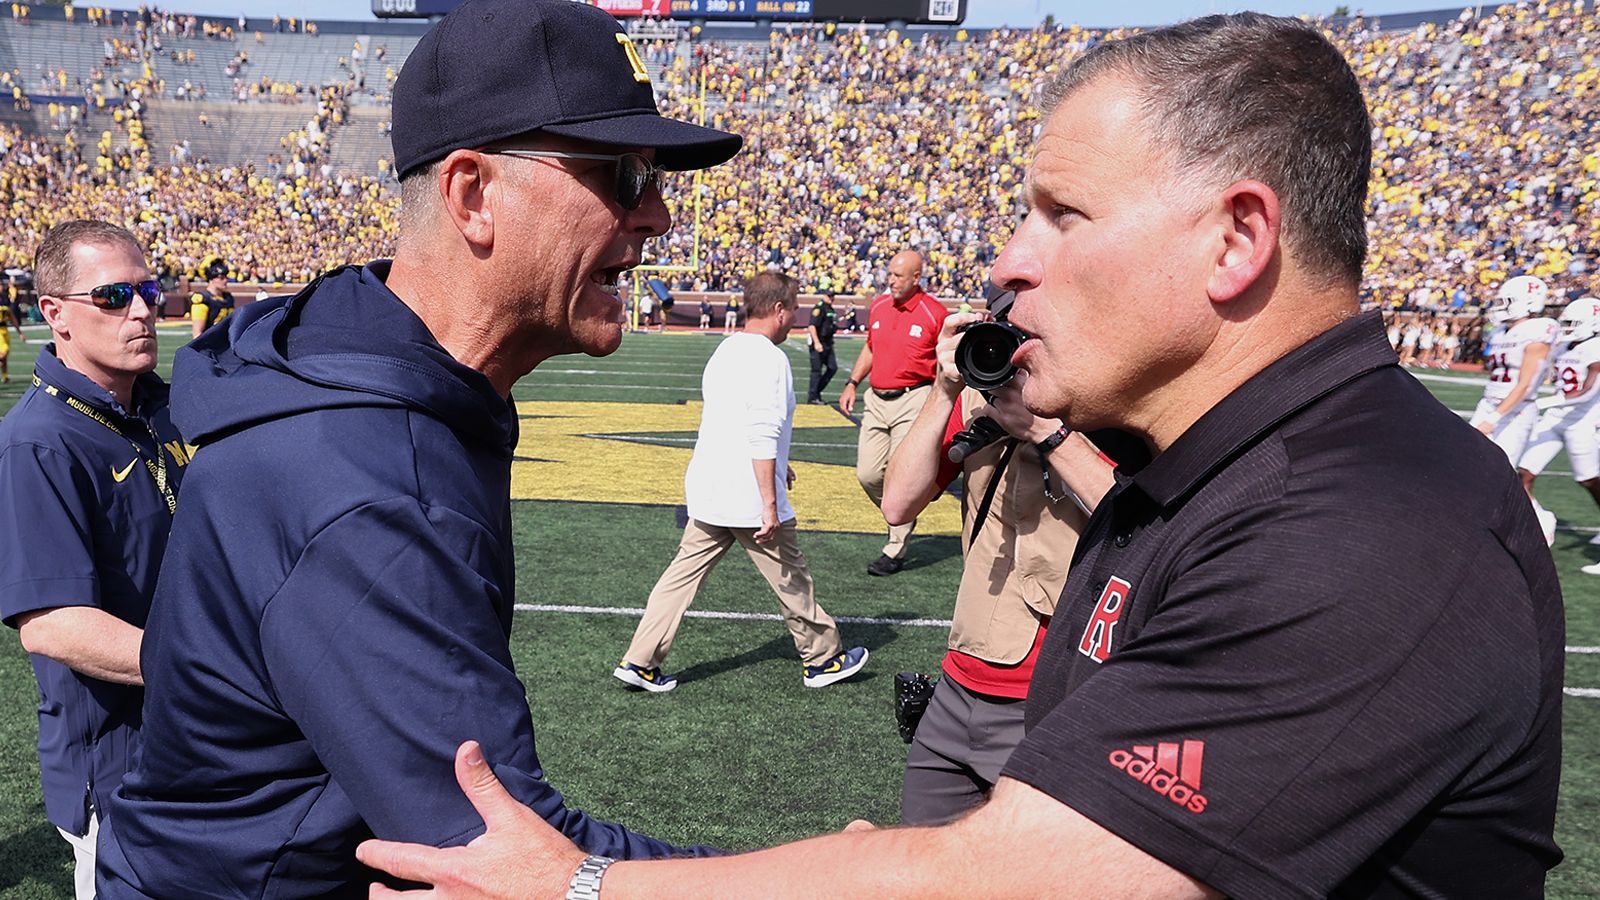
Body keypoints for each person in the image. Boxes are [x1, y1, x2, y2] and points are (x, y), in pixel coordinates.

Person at [357, 14, 1564, 900]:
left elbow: (1016, 879)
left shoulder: (1364, 528)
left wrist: (580, 887)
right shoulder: (1214, 466)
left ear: (1235, 238)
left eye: (1062, 213)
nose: (1008, 259)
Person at [96, 1, 742, 897]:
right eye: (626, 174)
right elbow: (505, 858)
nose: (658, 215)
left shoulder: (373, 375)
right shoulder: (367, 477)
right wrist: (836, 876)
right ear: (472, 195)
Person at [0, 220, 187, 900]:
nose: (141, 311)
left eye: (148, 291)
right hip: (122, 767)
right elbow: (53, 625)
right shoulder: (37, 441)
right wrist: (212, 668)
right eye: (112, 296)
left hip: (202, 739)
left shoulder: (164, 408)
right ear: (55, 314)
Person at [881, 310, 1117, 826]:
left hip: (1054, 687)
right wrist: (944, 389)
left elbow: (1143, 521)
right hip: (962, 672)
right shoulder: (977, 397)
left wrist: (1049, 434)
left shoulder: (1111, 400)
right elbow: (897, 504)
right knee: (924, 851)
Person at [614, 270, 867, 693]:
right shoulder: (770, 358)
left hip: (711, 486)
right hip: (748, 495)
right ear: (778, 309)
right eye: (793, 308)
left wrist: (779, 464)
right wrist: (769, 502)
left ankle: (639, 660)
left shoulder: (726, 349)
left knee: (680, 578)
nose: (796, 318)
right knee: (791, 578)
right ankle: (823, 657)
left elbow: (730, 421)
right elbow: (762, 431)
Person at [837, 250, 949, 576]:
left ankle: (894, 548)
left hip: (915, 398)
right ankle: (903, 513)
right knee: (868, 474)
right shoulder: (879, 305)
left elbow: (946, 362)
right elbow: (871, 346)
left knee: (901, 474)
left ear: (917, 278)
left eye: (898, 276)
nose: (891, 281)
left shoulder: (935, 314)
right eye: (889, 274)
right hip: (876, 398)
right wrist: (852, 382)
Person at [1472, 274, 1560, 540]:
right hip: (1490, 401)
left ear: (1526, 302)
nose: (1500, 306)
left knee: (1500, 474)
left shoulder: (1538, 331)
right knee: (1470, 460)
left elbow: (1525, 384)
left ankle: (1540, 520)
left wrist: (1493, 418)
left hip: (1517, 409)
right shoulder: (1501, 330)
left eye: (1506, 301)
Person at [1518, 296, 1600, 561]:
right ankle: (1540, 521)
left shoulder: (1596, 347)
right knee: (1524, 473)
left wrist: (1548, 401)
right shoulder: (1565, 347)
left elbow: (1589, 391)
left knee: (1588, 480)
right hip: (1555, 419)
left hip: (1582, 421)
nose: (1567, 328)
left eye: (1573, 323)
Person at [805, 289, 837, 404]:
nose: (831, 298)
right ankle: (813, 397)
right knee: (816, 371)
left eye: (832, 296)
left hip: (827, 343)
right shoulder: (819, 308)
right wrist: (817, 342)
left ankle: (817, 391)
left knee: (832, 368)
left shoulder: (830, 309)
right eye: (829, 296)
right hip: (819, 342)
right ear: (824, 296)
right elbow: (812, 326)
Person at [188, 259, 234, 338]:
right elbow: (197, 333)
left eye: (226, 277)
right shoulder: (203, 299)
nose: (225, 280)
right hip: (210, 343)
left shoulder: (228, 297)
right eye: (221, 278)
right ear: (211, 280)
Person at [0, 287, 24, 380]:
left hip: (4, 329)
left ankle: (5, 376)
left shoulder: (5, 299)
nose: (1, 287)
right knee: (4, 352)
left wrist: (19, 332)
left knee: (4, 356)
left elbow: (12, 316)